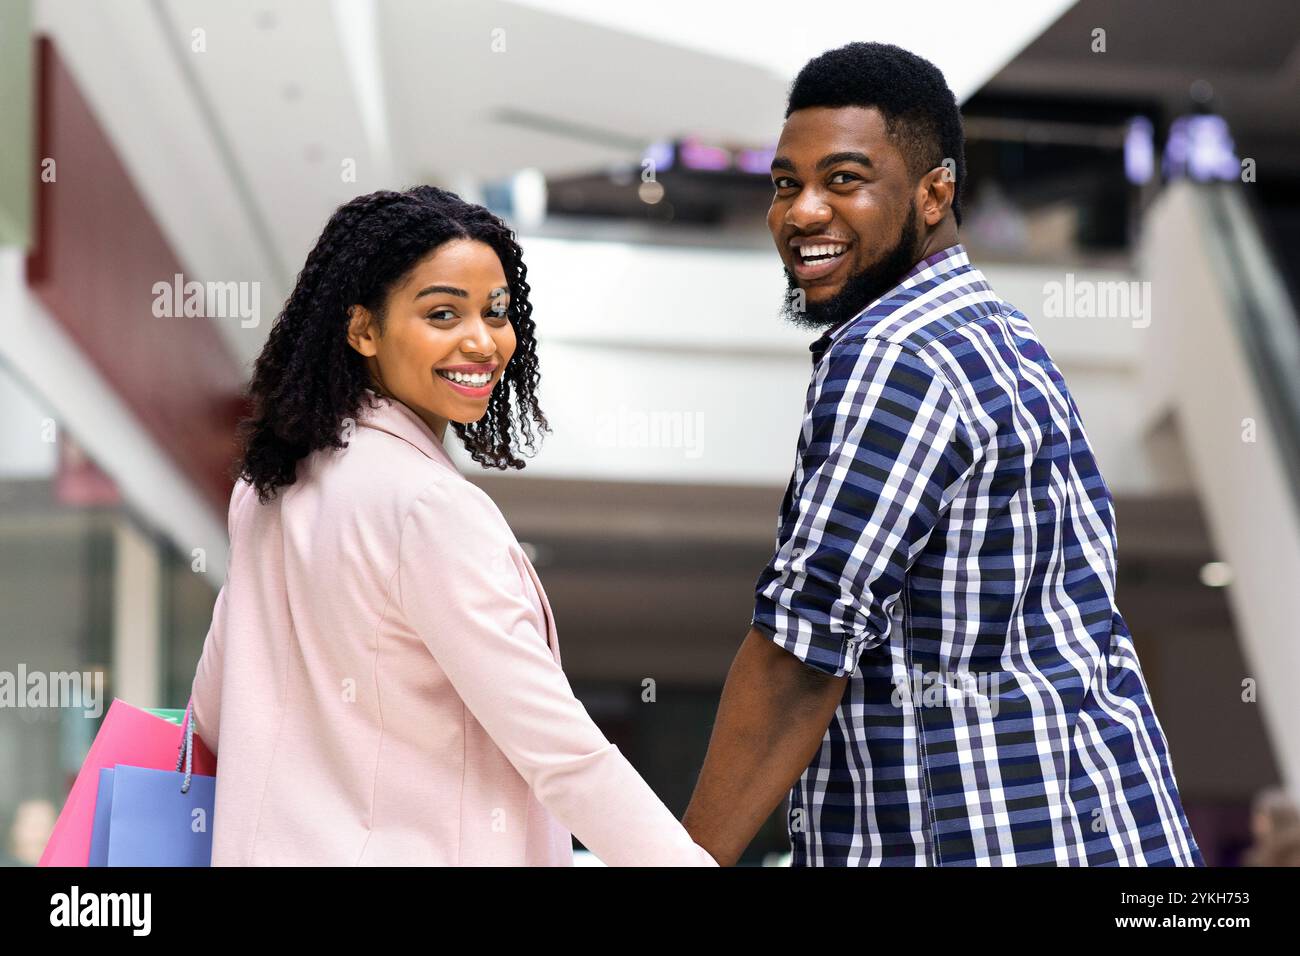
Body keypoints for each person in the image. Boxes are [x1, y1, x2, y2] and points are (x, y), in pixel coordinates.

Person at [683, 42, 1204, 867]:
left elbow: (801, 657)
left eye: (844, 180)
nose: (803, 212)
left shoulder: (899, 352)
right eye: (787, 184)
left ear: (936, 193)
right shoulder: (995, 333)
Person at [190, 185, 715, 866]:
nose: (482, 340)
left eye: (496, 313)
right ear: (363, 330)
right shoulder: (429, 509)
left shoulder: (268, 489)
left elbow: (212, 711)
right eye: (443, 313)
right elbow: (561, 752)